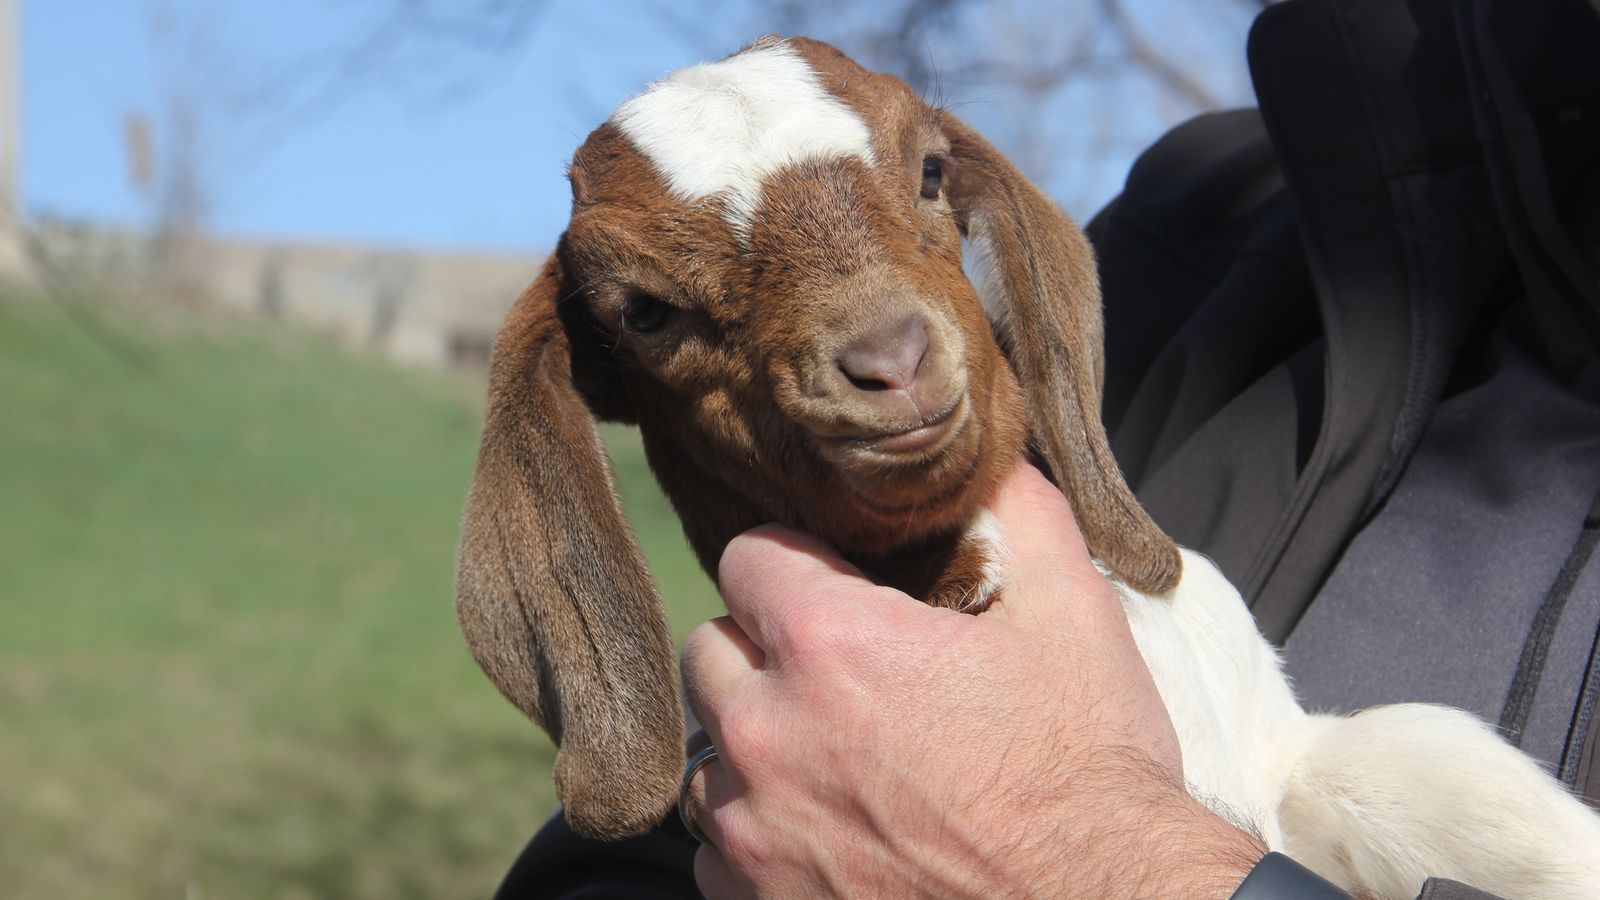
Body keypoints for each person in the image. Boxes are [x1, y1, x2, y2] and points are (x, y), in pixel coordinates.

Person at [496, 0, 1600, 895]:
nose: (887, 345)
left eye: (922, 182)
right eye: (650, 311)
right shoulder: (1216, 227)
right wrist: (695, 788)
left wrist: (1085, 860)